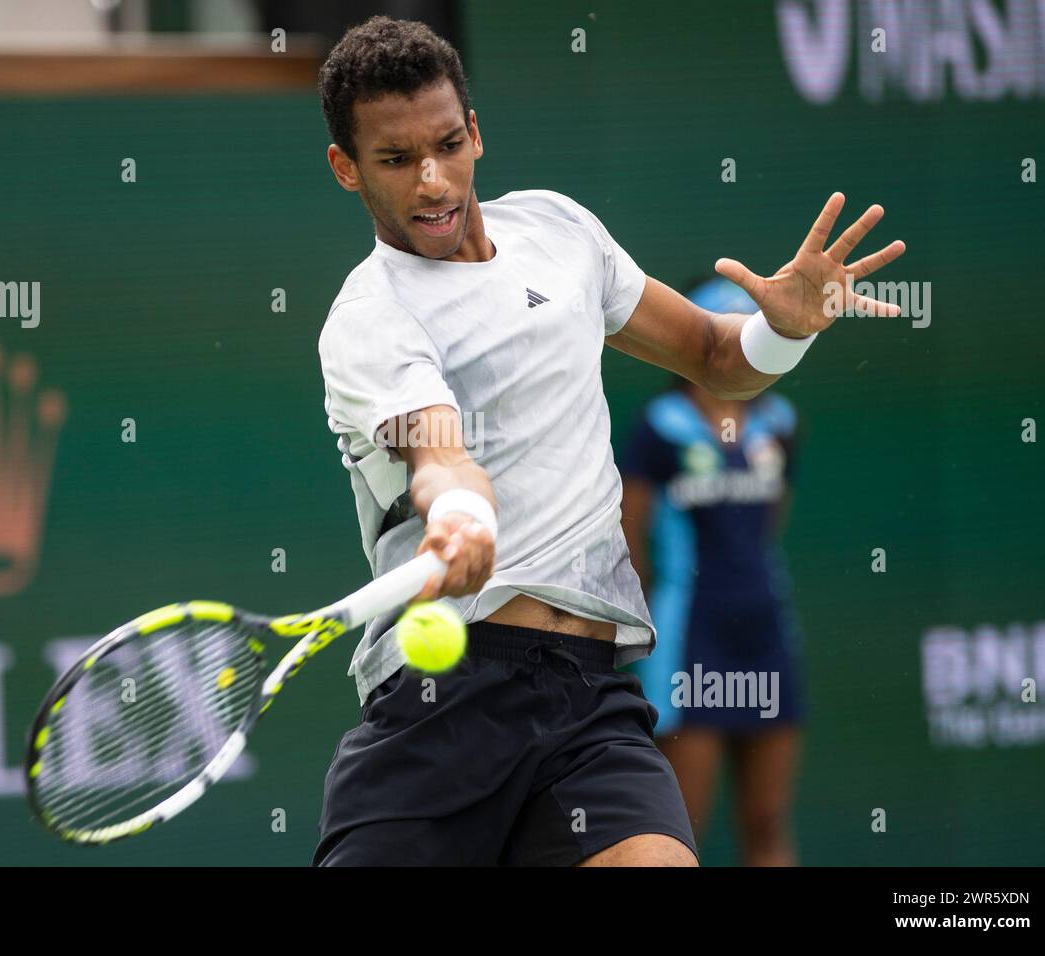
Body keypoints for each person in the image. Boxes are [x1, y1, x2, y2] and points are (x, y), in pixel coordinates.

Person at [312, 16, 904, 866]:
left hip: (587, 696)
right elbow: (440, 452)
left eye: (447, 144)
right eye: (396, 161)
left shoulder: (559, 231)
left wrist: (784, 331)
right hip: (443, 707)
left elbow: (709, 353)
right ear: (347, 168)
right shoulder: (370, 316)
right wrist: (462, 515)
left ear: (475, 131)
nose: (434, 181)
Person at [620, 276, 804, 866]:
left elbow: (768, 525)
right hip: (688, 639)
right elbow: (631, 531)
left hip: (767, 632)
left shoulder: (780, 423)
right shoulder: (660, 426)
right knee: (682, 829)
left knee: (768, 819)